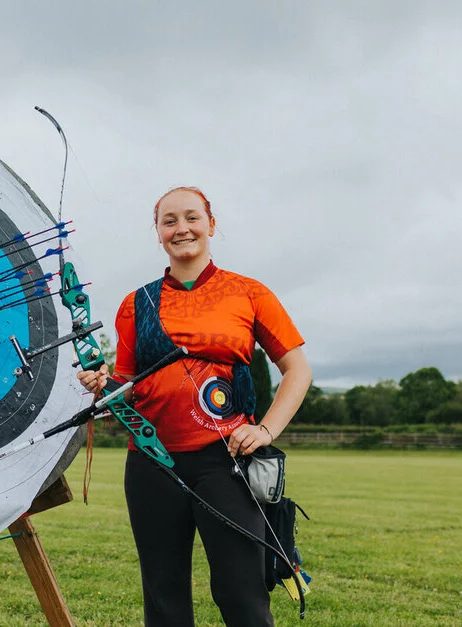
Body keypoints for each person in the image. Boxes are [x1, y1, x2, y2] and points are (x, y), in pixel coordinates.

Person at [77, 186, 312, 626]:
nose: (181, 229)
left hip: (227, 461)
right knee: (163, 598)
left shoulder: (249, 292)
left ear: (211, 225)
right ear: (158, 233)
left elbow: (297, 368)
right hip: (151, 461)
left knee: (241, 594)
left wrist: (265, 431)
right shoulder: (136, 303)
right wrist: (102, 384)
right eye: (169, 221)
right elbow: (127, 384)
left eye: (191, 218)